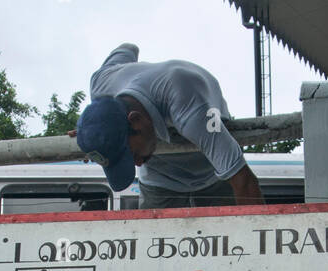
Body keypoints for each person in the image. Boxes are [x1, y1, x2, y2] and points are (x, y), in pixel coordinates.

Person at [75, 43, 264, 207]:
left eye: (133, 155)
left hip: (211, 171)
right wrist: (90, 129)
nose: (138, 163)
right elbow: (128, 48)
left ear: (136, 120)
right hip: (159, 178)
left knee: (229, 233)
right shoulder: (101, 85)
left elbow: (244, 181)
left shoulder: (188, 106)